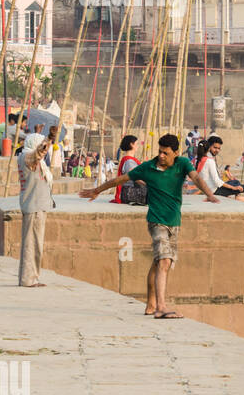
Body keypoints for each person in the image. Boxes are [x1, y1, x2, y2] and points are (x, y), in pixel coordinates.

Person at [80, 133, 219, 319]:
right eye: (160, 152)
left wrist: (209, 194)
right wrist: (96, 191)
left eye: (166, 153)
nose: (161, 156)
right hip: (156, 220)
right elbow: (119, 179)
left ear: (175, 153)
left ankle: (151, 304)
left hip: (174, 221)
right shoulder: (147, 167)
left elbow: (196, 178)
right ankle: (161, 306)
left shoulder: (182, 164)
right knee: (164, 261)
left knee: (158, 263)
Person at [17, 134, 54, 288]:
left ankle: (33, 277)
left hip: (38, 206)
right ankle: (28, 279)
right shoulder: (27, 157)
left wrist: (48, 141)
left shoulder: (29, 158)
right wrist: (45, 144)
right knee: (31, 244)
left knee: (35, 244)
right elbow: (37, 154)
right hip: (34, 206)